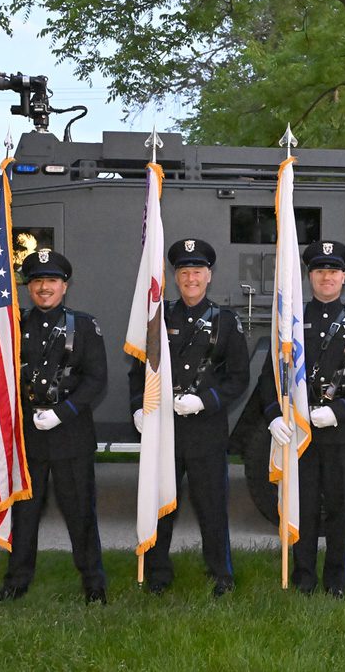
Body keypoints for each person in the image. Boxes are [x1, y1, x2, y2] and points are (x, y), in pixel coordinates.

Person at [130, 238, 249, 597]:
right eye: (184, 272)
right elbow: (138, 370)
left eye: (197, 271)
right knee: (162, 502)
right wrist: (137, 406)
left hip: (206, 430)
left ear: (209, 276)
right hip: (164, 430)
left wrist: (205, 401)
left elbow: (238, 378)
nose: (191, 278)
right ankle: (158, 572)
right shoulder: (158, 317)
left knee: (211, 505)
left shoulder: (225, 322)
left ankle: (221, 573)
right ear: (174, 277)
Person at [261, 240, 345, 598]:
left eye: (334, 271)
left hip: (339, 431)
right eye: (320, 271)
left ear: (344, 277)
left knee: (340, 507)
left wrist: (339, 411)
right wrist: (272, 417)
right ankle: (304, 575)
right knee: (305, 505)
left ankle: (336, 579)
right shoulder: (292, 323)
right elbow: (271, 377)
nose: (327, 277)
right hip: (298, 431)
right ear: (309, 275)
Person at [0, 250, 108, 604]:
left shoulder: (84, 326)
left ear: (65, 286)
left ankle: (93, 582)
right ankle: (16, 580)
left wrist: (64, 412)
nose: (44, 287)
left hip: (71, 434)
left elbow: (96, 379)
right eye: (37, 281)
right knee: (25, 514)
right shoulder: (13, 325)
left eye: (52, 281)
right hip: (28, 434)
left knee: (80, 513)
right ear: (29, 287)